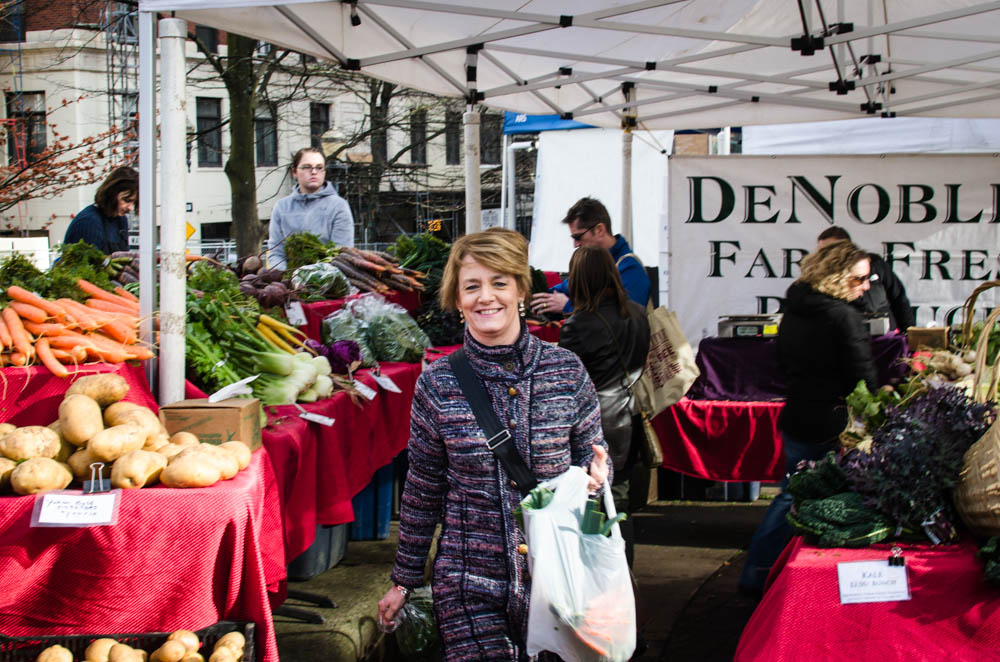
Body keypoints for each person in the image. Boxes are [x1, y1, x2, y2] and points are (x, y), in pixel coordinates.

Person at [377, 228, 611, 661]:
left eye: (499, 282)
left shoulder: (566, 370)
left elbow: (591, 456)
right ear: (457, 298)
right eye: (472, 286)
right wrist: (404, 580)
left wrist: (596, 479)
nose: (487, 297)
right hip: (468, 586)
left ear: (521, 288)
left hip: (559, 584)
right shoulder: (437, 384)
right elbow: (423, 488)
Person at [739, 240, 878, 596]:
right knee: (810, 501)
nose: (866, 287)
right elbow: (861, 376)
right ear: (838, 276)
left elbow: (782, 362)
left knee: (792, 496)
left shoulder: (796, 309)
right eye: (860, 279)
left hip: (798, 413)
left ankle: (761, 572)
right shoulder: (842, 316)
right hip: (830, 421)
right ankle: (770, 576)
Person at [558, 246, 650, 565]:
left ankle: (604, 581)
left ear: (579, 280)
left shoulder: (578, 325)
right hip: (632, 420)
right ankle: (623, 580)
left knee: (594, 510)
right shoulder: (638, 313)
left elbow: (565, 385)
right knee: (619, 509)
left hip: (595, 429)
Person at [530, 197, 651, 316]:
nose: (575, 245)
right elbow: (564, 289)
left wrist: (568, 306)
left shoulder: (631, 269)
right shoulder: (593, 264)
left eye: (578, 237)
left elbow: (627, 319)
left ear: (599, 229)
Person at [267, 147, 354, 270]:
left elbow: (341, 253)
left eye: (319, 167)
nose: (313, 172)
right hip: (288, 282)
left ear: (324, 172)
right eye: (307, 167)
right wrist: (285, 278)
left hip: (327, 279)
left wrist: (316, 277)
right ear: (294, 172)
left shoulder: (339, 206)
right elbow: (276, 252)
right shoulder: (281, 207)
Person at [817, 226, 915, 331]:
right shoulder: (820, 278)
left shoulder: (875, 264)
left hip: (888, 338)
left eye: (830, 250)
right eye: (821, 251)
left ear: (847, 247)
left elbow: (899, 299)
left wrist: (908, 333)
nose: (825, 256)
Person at [63, 166, 138, 254]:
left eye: (134, 202)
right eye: (127, 200)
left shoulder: (120, 220)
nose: (130, 208)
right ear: (111, 193)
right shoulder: (88, 223)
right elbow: (88, 265)